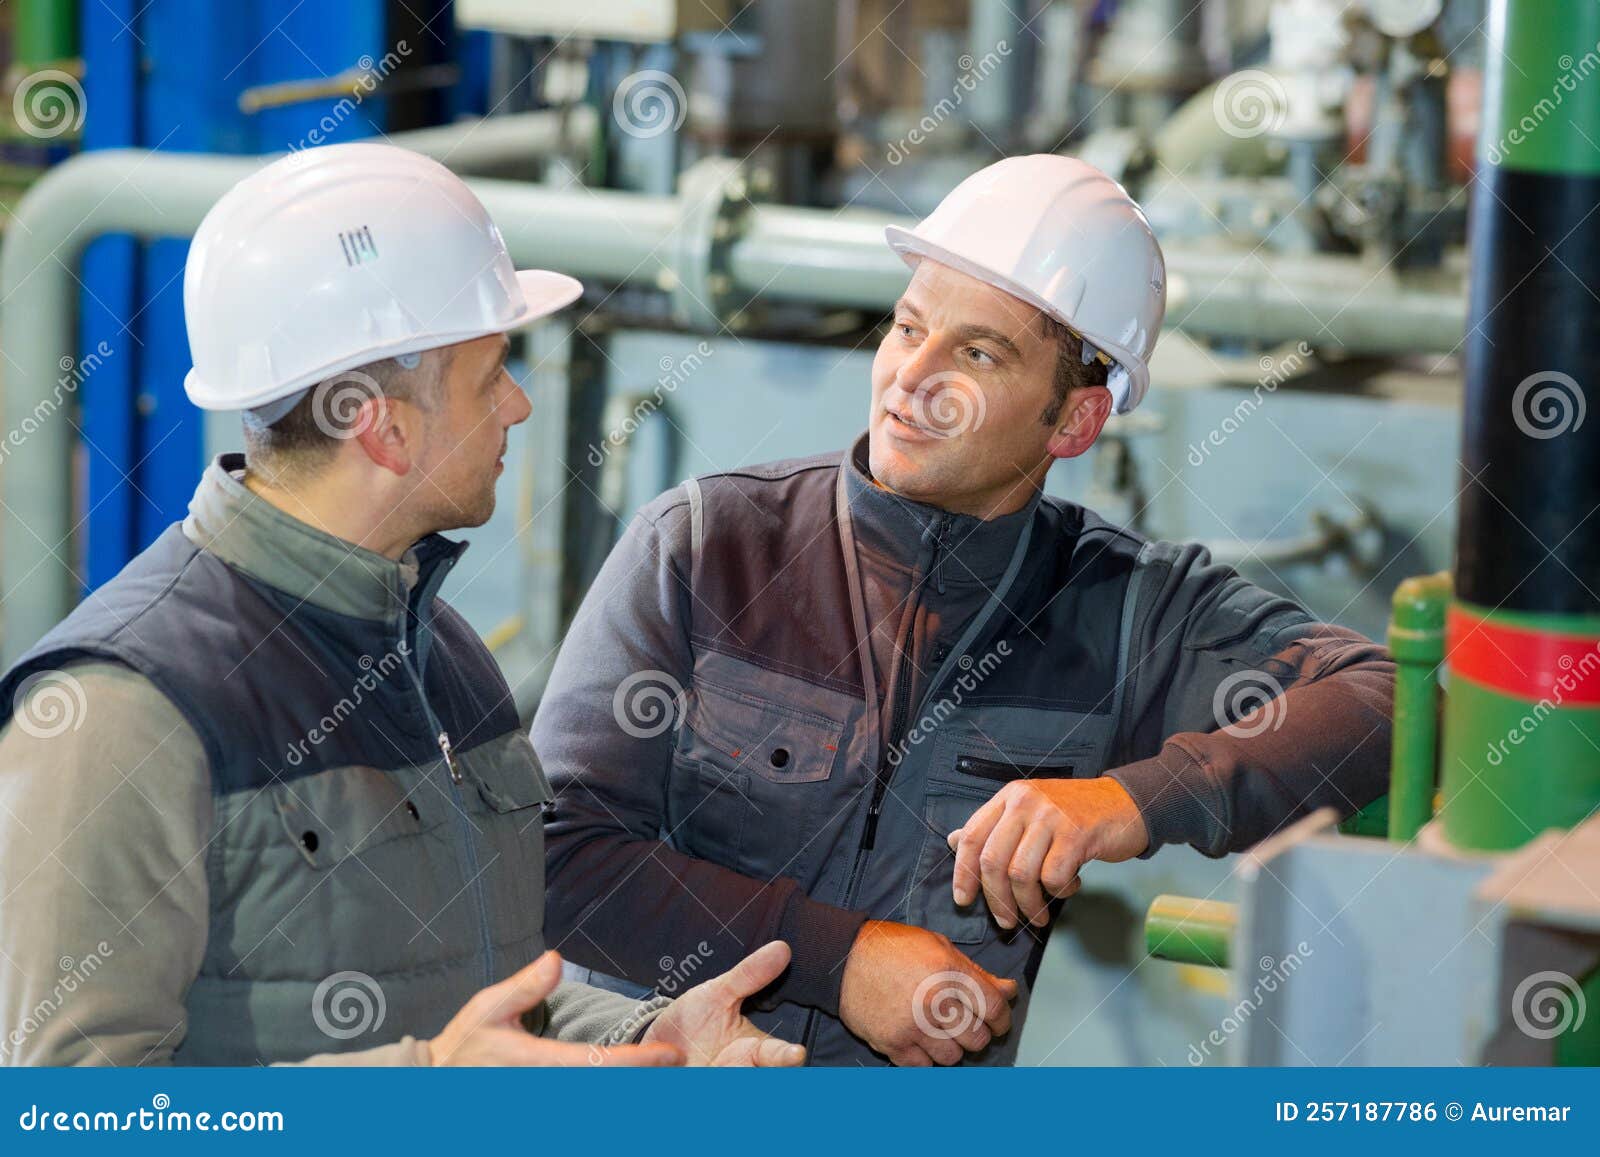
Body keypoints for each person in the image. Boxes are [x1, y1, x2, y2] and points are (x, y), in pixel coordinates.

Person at [533, 154, 1395, 1066]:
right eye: (909, 327)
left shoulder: (1122, 606)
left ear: (1074, 421)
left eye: (978, 353)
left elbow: (1383, 699)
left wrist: (1130, 800)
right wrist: (840, 960)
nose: (915, 377)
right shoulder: (708, 545)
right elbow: (549, 857)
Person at [0, 144, 803, 1069]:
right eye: (491, 374)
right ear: (382, 428)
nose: (518, 405)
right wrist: (428, 1083)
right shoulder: (124, 710)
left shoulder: (443, 654)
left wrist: (637, 1034)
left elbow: (482, 1006)